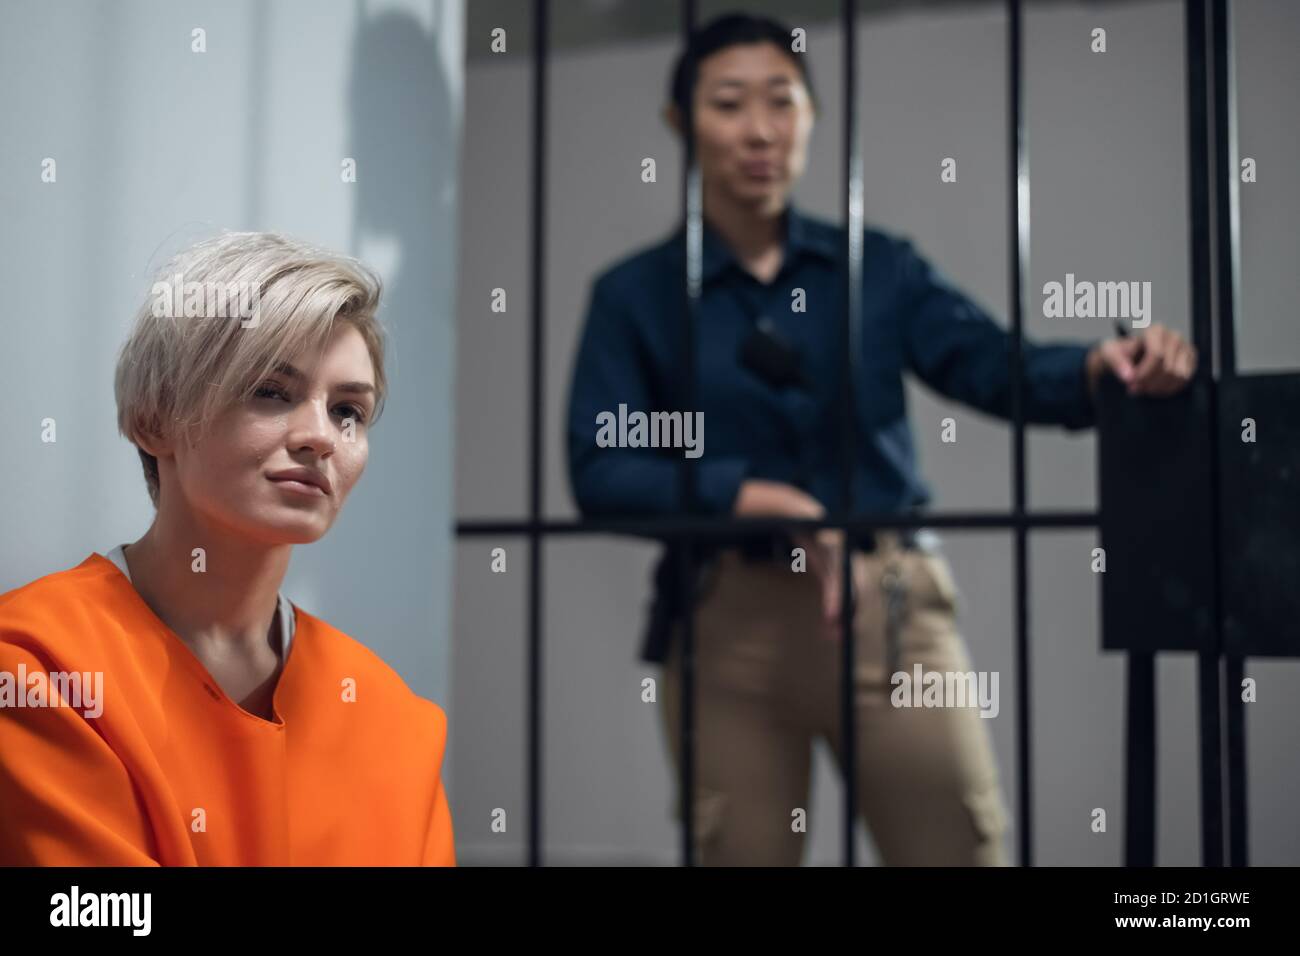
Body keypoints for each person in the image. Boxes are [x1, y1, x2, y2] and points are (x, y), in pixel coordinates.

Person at [565, 13, 1196, 866]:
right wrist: (749, 496)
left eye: (782, 102)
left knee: (960, 851)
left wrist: (1099, 367)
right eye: (728, 103)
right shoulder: (636, 296)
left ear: (814, 118)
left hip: (890, 605)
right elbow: (602, 464)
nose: (760, 129)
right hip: (727, 621)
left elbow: (990, 363)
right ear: (681, 123)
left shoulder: (878, 268)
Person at [0, 232, 455, 865]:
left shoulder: (393, 719)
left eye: (349, 409)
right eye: (272, 391)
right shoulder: (34, 669)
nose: (321, 437)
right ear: (155, 420)